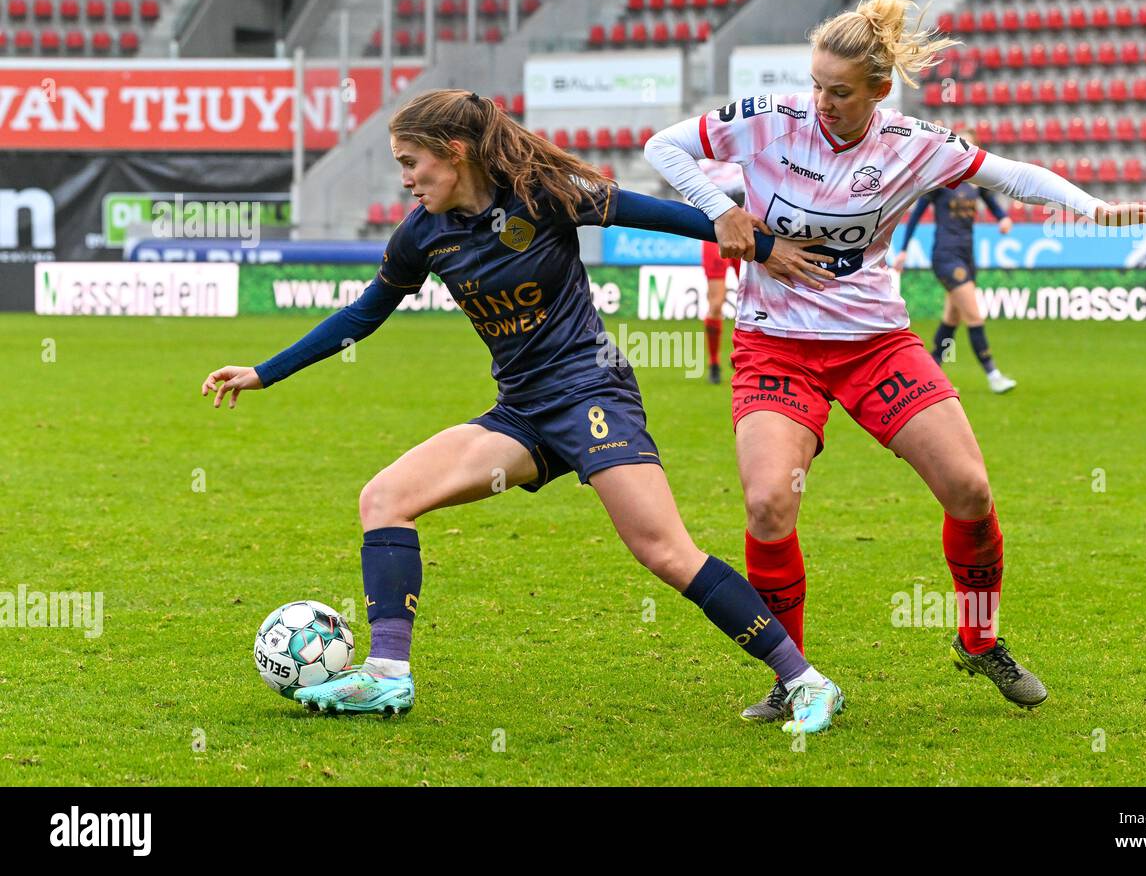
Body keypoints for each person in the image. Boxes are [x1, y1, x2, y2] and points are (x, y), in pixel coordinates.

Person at [201, 89, 845, 733]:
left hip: (593, 395)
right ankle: (389, 677)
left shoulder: (548, 195)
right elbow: (363, 314)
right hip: (522, 413)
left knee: (665, 551)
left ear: (454, 153)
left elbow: (654, 214)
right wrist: (264, 372)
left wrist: (754, 244)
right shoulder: (421, 236)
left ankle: (806, 683)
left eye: (410, 161)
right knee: (384, 498)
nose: (404, 179)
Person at [644, 0, 1146, 722]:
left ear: (879, 90)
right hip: (776, 347)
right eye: (816, 85)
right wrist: (723, 209)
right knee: (767, 505)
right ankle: (791, 676)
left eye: (841, 93)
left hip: (874, 344)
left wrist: (1091, 208)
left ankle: (978, 639)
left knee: (971, 490)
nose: (821, 103)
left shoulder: (912, 145)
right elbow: (661, 146)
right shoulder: (770, 119)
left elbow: (1009, 173)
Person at [893, 131, 1018, 393]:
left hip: (967, 255)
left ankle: (931, 374)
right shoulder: (942, 180)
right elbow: (916, 215)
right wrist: (903, 250)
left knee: (952, 317)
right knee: (973, 314)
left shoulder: (976, 183)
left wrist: (1003, 218)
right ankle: (993, 374)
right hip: (946, 255)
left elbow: (992, 203)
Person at [697, 158, 746, 384]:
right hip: (713, 236)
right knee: (716, 303)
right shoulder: (702, 164)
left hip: (745, 233)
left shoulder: (740, 154)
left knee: (752, 300)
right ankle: (714, 363)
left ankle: (742, 353)